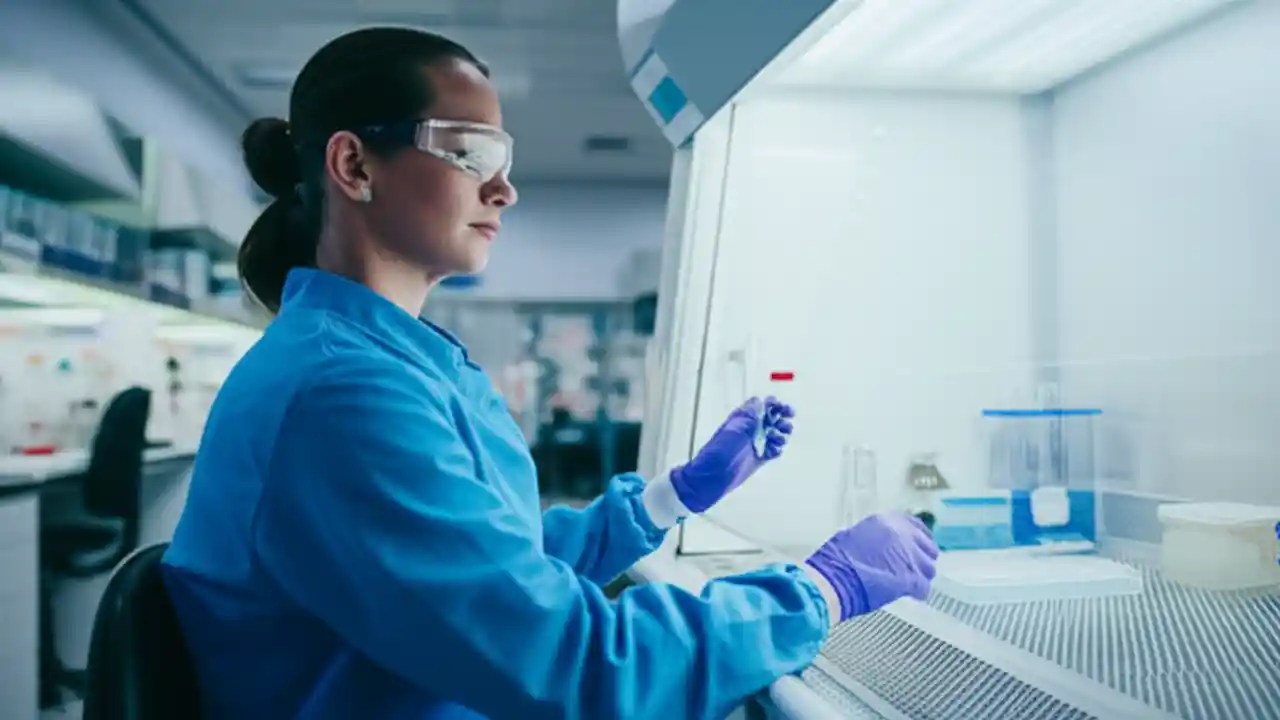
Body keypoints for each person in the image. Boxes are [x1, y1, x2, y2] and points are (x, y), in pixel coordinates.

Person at [161, 27, 938, 720]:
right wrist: (822, 588)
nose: (505, 189)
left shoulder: (383, 361)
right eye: (472, 151)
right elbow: (575, 667)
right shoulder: (343, 394)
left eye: (506, 159)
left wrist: (672, 497)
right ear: (355, 165)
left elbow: (494, 571)